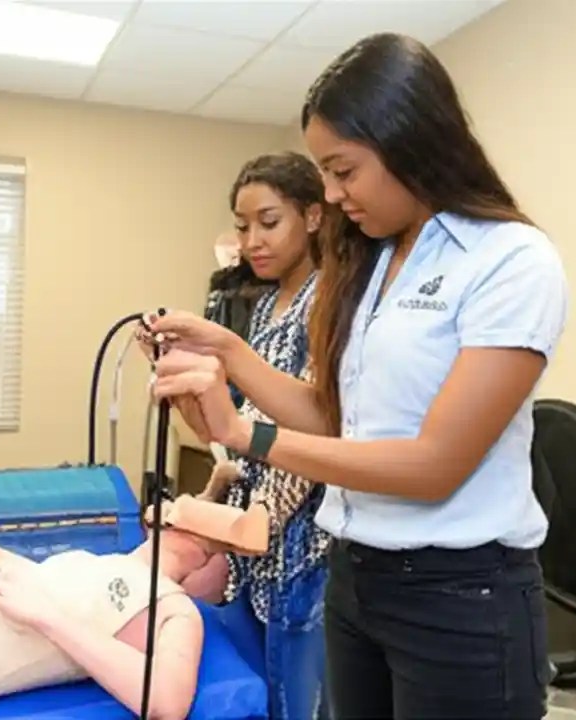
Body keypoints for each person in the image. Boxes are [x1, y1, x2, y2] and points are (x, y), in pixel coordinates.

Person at [144, 32, 567, 720]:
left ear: (410, 143)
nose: (334, 197)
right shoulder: (375, 261)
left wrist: (244, 432)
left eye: (344, 171)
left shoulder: (511, 261)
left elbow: (434, 466)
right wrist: (230, 353)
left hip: (459, 599)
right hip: (356, 578)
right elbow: (341, 417)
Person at [217, 151, 333, 720]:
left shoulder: (330, 301)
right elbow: (240, 425)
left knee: (295, 705)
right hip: (251, 550)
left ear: (313, 217)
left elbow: (322, 426)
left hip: (299, 548)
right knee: (252, 700)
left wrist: (259, 518)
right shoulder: (263, 308)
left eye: (269, 222)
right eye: (242, 227)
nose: (252, 241)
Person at [0, 529, 213, 718]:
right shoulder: (107, 563)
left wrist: (47, 618)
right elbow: (33, 574)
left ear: (208, 563)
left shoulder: (174, 608)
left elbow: (166, 702)